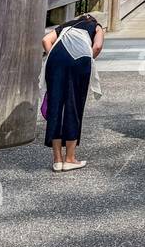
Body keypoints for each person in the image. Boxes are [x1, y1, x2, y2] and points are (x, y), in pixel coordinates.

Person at [41, 12, 103, 172]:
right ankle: (70, 159)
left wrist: (57, 59)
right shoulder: (96, 27)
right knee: (73, 105)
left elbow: (46, 40)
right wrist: (88, 59)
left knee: (55, 106)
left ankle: (57, 160)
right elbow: (97, 46)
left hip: (55, 59)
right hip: (80, 59)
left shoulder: (67, 26)